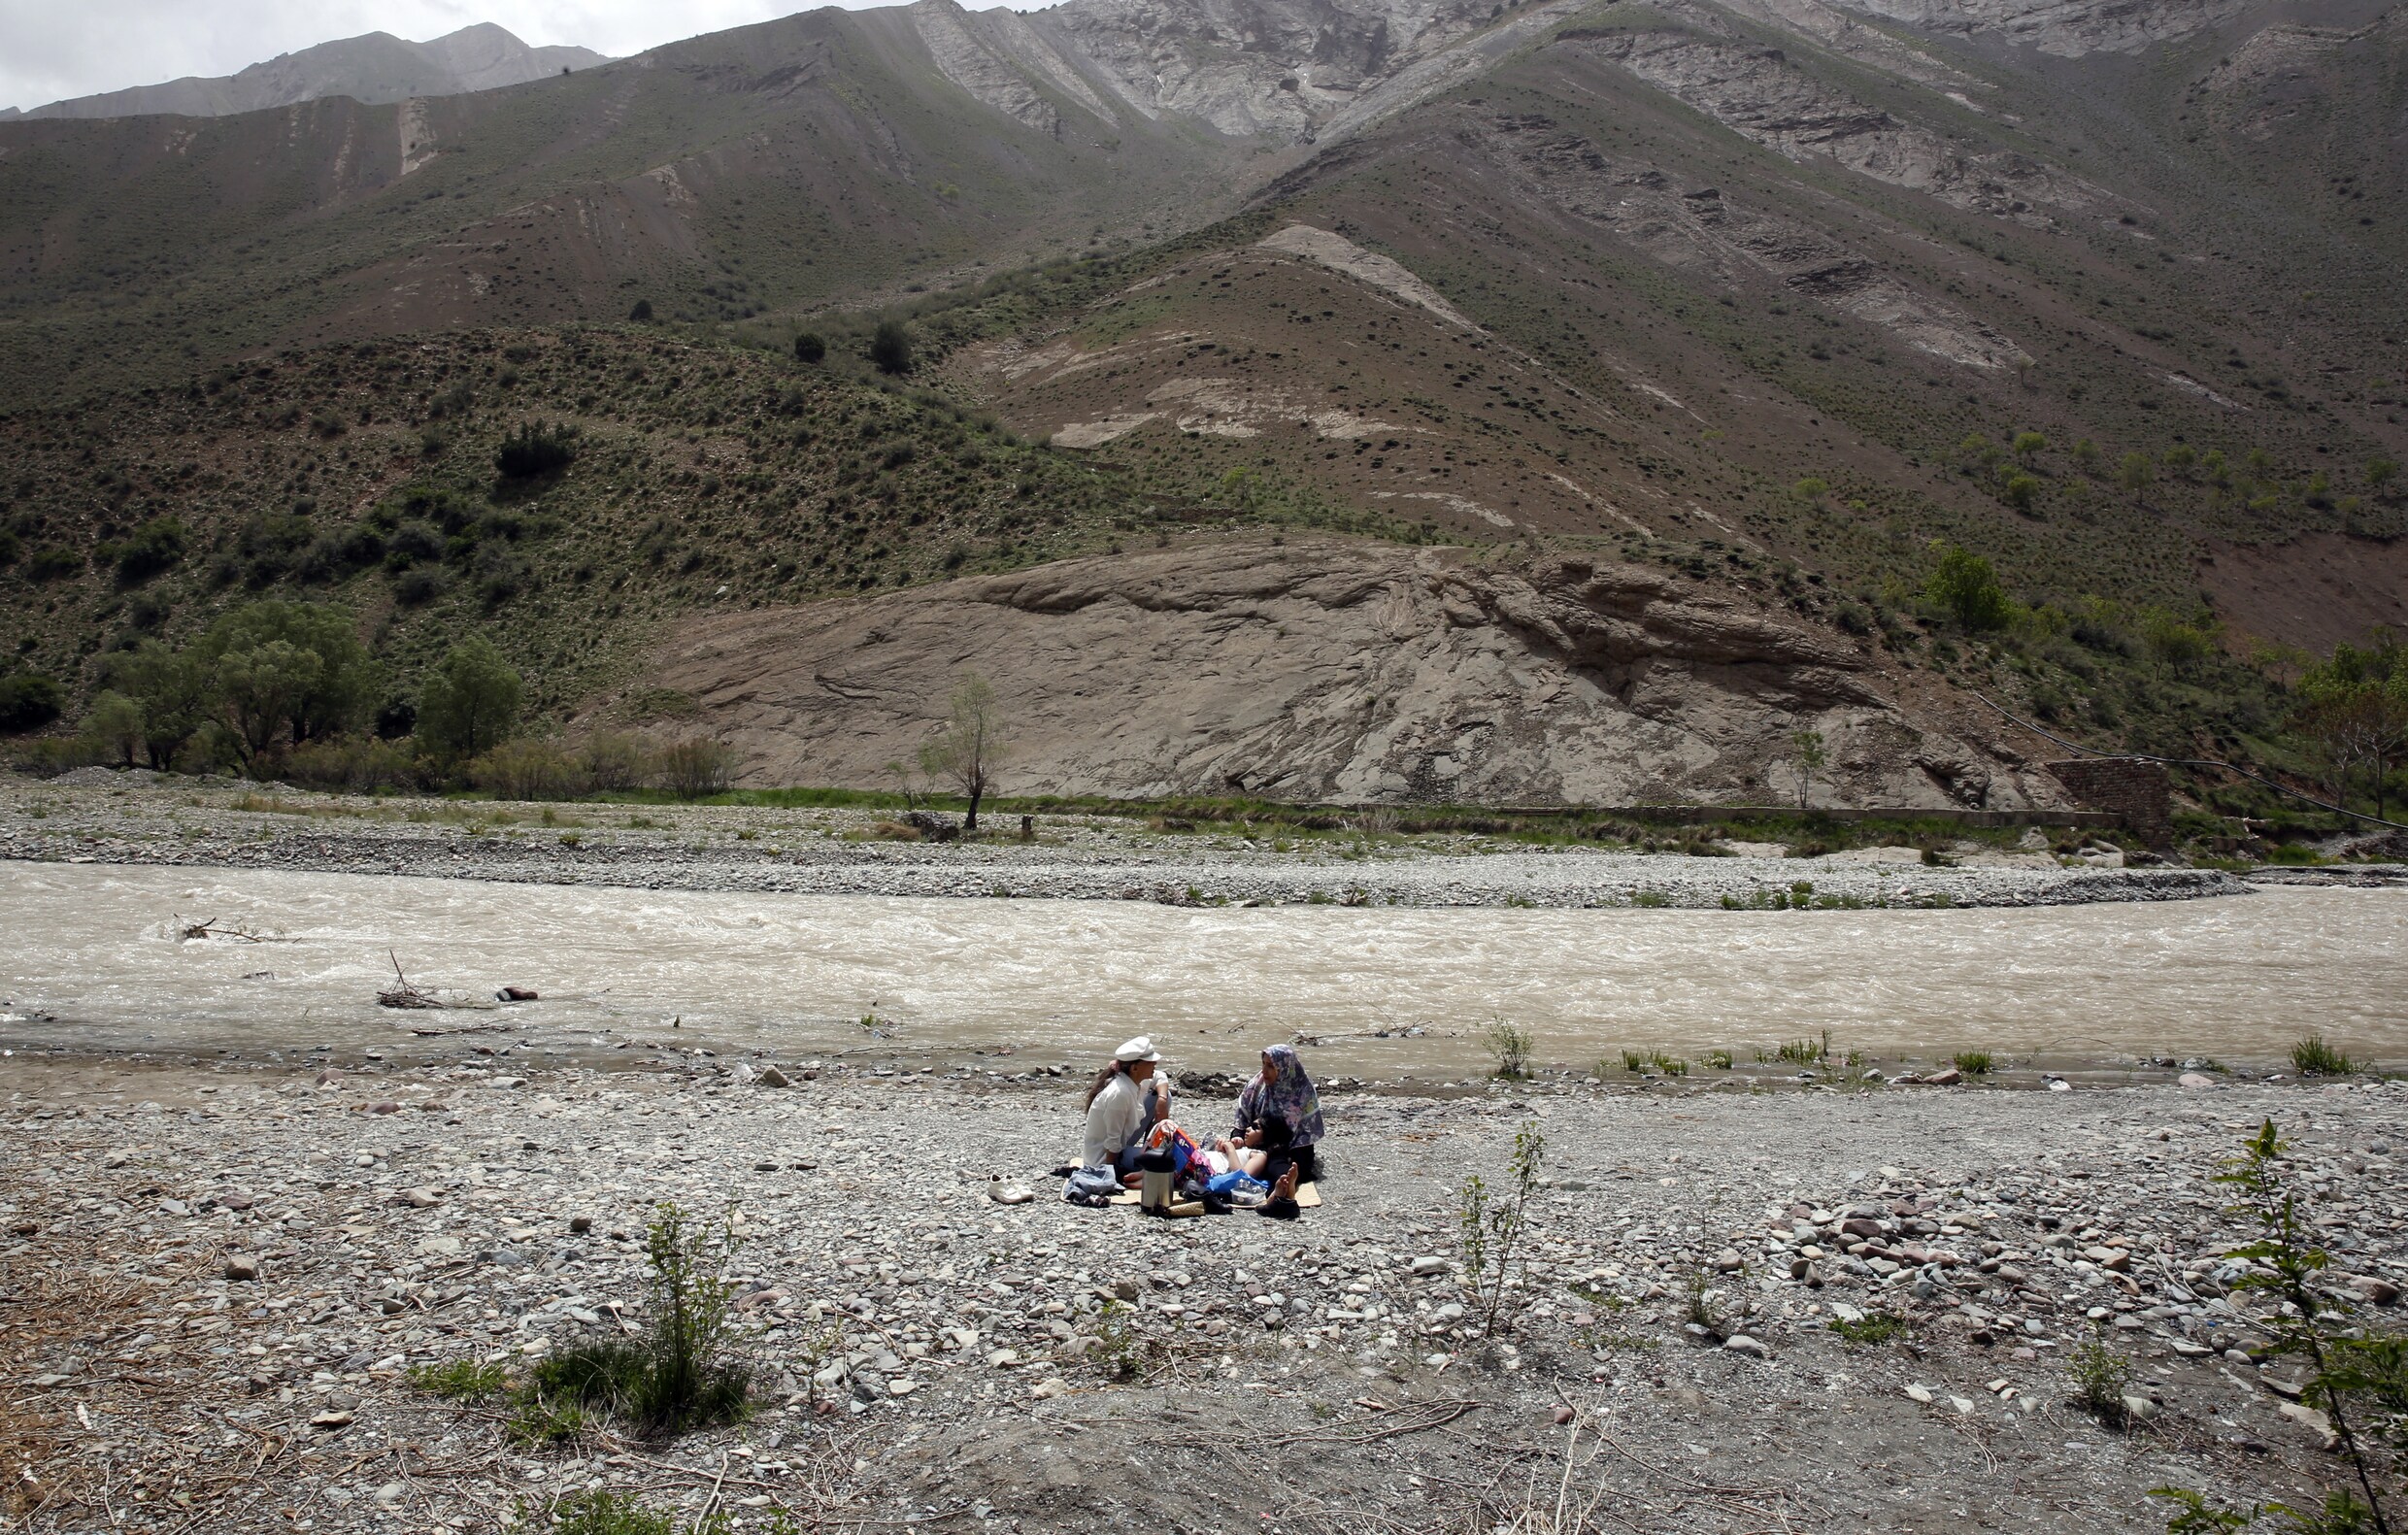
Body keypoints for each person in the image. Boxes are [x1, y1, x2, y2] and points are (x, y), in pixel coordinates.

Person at [1227, 1044, 1323, 1207]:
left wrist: (1270, 1143)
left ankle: (1283, 1185)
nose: (1264, 1070)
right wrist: (1238, 1136)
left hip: (1289, 1149)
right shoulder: (1258, 1085)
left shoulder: (1302, 1092)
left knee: (1277, 1165)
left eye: (1271, 1066)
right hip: (1256, 1140)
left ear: (1284, 1068)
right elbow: (1243, 1120)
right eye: (1263, 1064)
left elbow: (1303, 1137)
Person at [1081, 1035, 1172, 1185]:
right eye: (1150, 1062)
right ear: (1135, 1067)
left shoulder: (1133, 1079)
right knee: (1168, 1160)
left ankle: (1151, 1149)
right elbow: (1112, 1142)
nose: (1155, 1063)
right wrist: (1109, 1175)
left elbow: (1160, 1077)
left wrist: (1161, 1100)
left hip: (1122, 1144)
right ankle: (1146, 1165)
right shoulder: (1120, 1093)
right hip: (1107, 1158)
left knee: (1165, 1094)